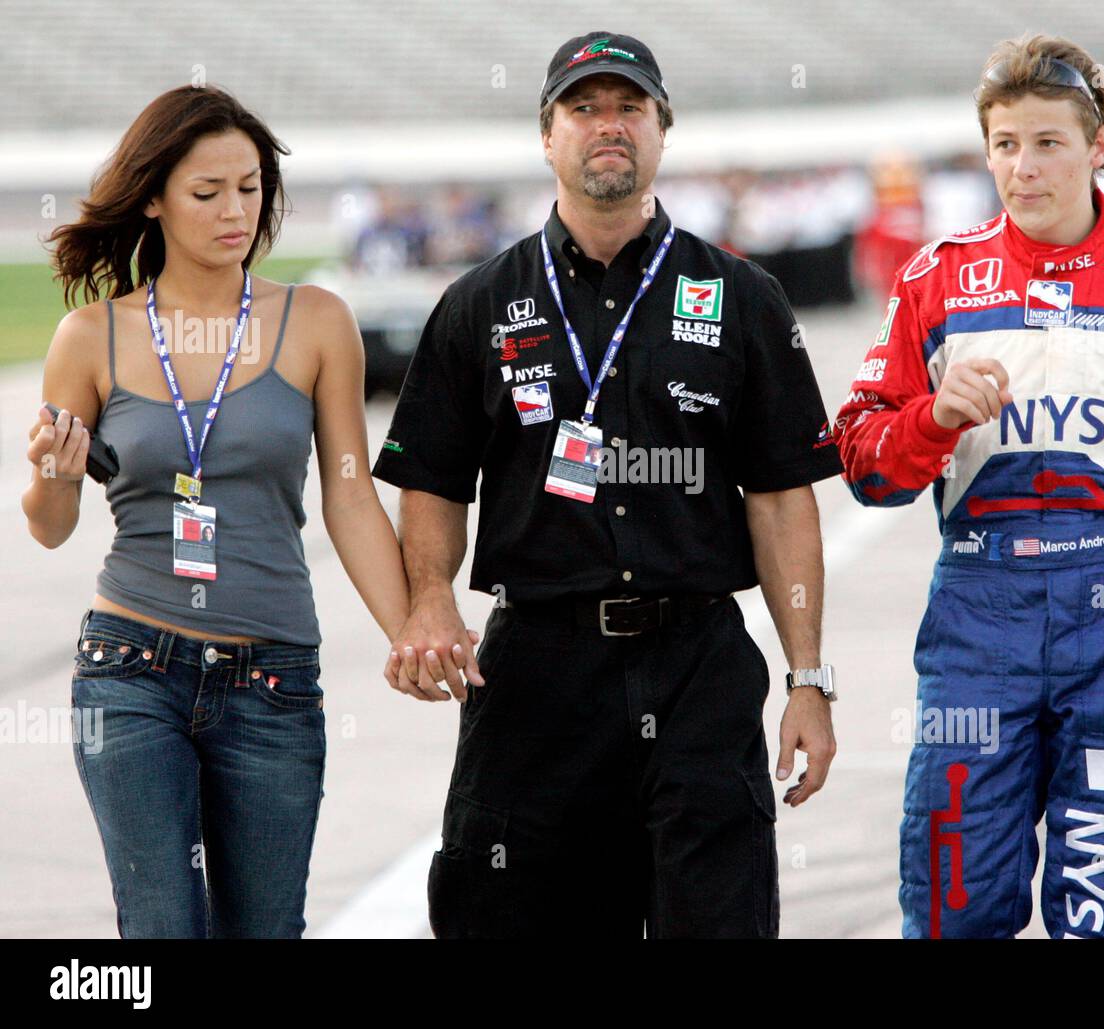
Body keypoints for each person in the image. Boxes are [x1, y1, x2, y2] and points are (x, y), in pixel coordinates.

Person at [373, 31, 843, 938]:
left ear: (663, 130)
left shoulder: (742, 296)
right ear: (546, 137)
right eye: (582, 108)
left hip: (699, 663)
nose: (608, 125)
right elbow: (431, 480)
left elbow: (783, 497)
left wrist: (808, 678)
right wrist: (428, 597)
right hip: (538, 675)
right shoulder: (478, 302)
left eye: (629, 106)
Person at [834, 34, 1104, 938]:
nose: (1022, 168)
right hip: (975, 623)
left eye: (1047, 143)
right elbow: (861, 463)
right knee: (955, 905)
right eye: (1004, 144)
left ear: (1099, 144)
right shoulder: (936, 279)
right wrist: (931, 422)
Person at [25, 85, 410, 938]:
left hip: (273, 675)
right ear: (154, 197)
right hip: (130, 667)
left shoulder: (316, 322)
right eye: (208, 193)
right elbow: (49, 525)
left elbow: (349, 491)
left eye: (250, 186)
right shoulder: (91, 336)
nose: (236, 210)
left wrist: (411, 627)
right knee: (161, 925)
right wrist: (55, 475)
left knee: (265, 929)